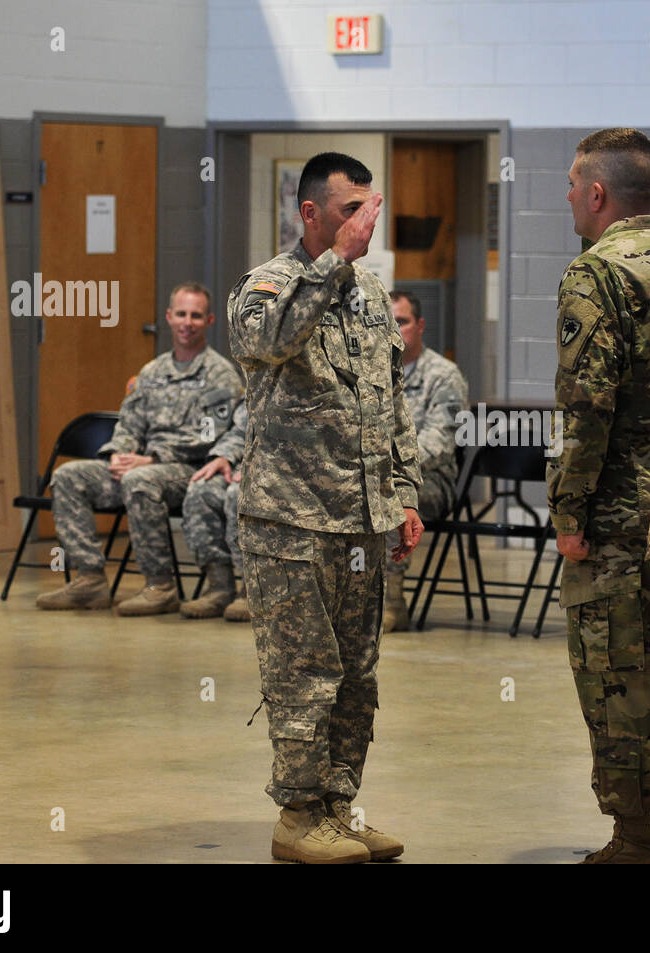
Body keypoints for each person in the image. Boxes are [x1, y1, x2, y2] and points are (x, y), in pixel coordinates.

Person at [227, 152, 424, 865]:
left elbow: (388, 402)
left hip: (362, 522)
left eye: (370, 208)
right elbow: (271, 342)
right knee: (303, 674)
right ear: (310, 213)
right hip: (291, 521)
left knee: (356, 679)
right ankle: (297, 814)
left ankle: (339, 806)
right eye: (350, 210)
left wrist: (403, 494)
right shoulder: (266, 287)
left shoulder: (372, 294)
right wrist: (332, 263)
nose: (364, 222)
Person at [546, 128, 650, 864]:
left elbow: (587, 406)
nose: (569, 196)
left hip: (613, 521)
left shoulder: (595, 273)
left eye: (574, 184)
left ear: (598, 193)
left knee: (616, 681)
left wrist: (569, 511)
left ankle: (636, 839)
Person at [36, 282, 243, 616]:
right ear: (168, 317)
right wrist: (119, 453)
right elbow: (129, 422)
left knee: (140, 480)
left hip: (187, 470)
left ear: (210, 321)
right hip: (141, 464)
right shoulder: (152, 372)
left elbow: (210, 437)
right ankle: (89, 581)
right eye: (181, 314)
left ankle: (159, 586)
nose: (187, 322)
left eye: (196, 315)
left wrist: (151, 459)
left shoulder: (220, 375)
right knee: (69, 477)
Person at [381, 290, 468, 633]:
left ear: (420, 325)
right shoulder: (372, 373)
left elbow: (440, 443)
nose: (394, 329)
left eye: (401, 321)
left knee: (388, 498)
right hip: (378, 476)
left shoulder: (443, 376)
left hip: (430, 482)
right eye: (387, 322)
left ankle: (392, 601)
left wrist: (393, 472)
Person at [180, 401, 249, 621]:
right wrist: (223, 456)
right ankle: (219, 586)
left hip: (291, 468)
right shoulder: (261, 376)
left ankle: (255, 589)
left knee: (240, 494)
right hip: (246, 464)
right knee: (202, 489)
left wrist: (262, 463)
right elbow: (240, 431)